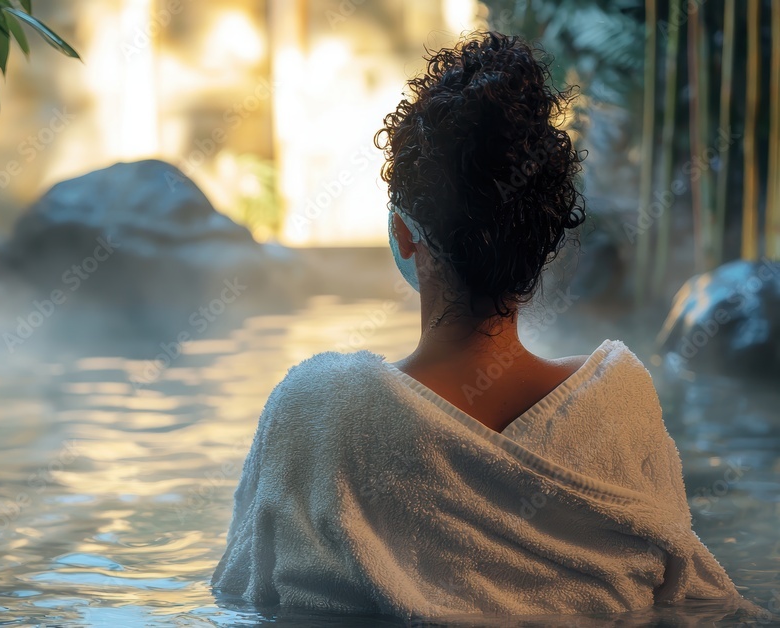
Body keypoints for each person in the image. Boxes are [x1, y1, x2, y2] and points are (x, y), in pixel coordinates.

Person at [212, 31, 750, 620]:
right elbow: (684, 595)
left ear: (403, 235)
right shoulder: (619, 402)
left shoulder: (317, 411)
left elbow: (242, 596)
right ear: (545, 244)